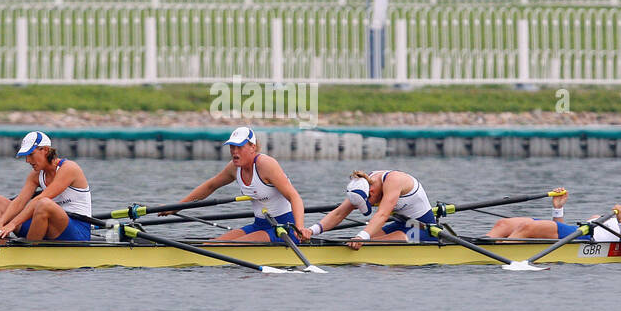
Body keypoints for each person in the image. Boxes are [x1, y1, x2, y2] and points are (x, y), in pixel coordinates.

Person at [164, 126, 309, 243]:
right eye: (232, 147)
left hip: (285, 229)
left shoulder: (266, 165)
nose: (234, 151)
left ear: (252, 147)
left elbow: (294, 197)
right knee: (210, 244)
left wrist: (300, 228)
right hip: (259, 225)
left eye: (239, 147)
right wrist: (177, 207)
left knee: (232, 246)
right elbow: (210, 186)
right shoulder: (234, 168)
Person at [0, 131, 93, 243]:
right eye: (26, 156)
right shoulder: (35, 175)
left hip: (76, 231)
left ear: (45, 150)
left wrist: (11, 225)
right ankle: (1, 249)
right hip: (45, 225)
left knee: (44, 204)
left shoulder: (69, 168)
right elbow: (19, 202)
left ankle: (30, 252)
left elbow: (39, 200)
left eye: (31, 155)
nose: (27, 160)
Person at [485, 191, 621, 260]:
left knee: (526, 227)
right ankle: (481, 243)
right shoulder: (604, 217)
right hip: (575, 233)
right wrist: (558, 208)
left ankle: (498, 252)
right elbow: (559, 237)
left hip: (587, 237)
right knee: (504, 223)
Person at [306, 170, 439, 249]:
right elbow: (339, 213)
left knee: (367, 241)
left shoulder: (394, 180)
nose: (370, 205)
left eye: (369, 203)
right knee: (363, 241)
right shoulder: (362, 185)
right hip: (401, 224)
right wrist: (311, 231)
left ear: (372, 191)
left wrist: (362, 237)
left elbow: (382, 215)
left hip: (424, 229)